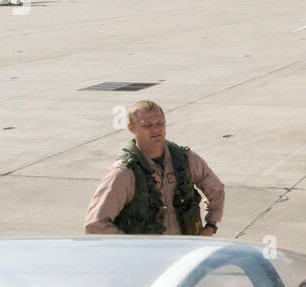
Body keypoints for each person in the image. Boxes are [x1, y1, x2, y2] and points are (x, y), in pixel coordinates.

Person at [85, 100, 225, 235]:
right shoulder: (123, 173)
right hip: (147, 257)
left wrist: (211, 226)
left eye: (160, 123)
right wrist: (131, 249)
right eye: (147, 125)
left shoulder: (186, 160)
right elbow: (95, 224)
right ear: (131, 128)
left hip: (184, 253)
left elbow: (216, 190)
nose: (156, 129)